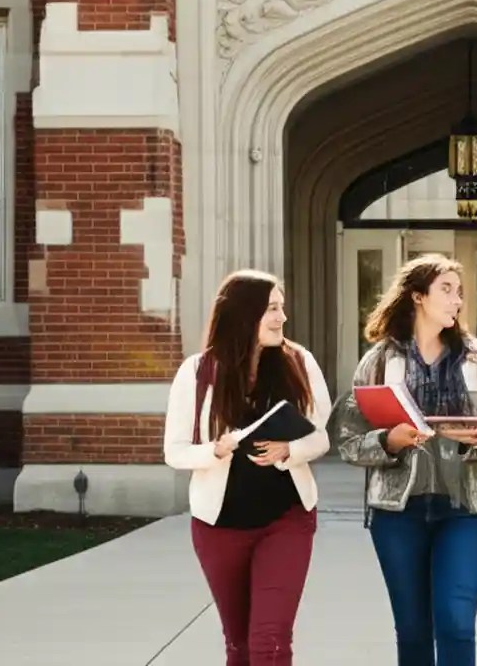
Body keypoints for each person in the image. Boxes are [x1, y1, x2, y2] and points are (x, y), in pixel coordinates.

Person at [331, 254, 477, 666]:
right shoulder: (379, 361)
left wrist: (476, 442)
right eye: (447, 290)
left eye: (460, 292)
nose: (458, 300)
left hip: (464, 510)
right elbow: (348, 440)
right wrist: (388, 440)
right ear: (417, 297)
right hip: (397, 514)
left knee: (456, 625)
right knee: (414, 633)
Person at [163, 269, 332, 666]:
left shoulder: (299, 362)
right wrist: (215, 452)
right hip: (219, 527)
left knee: (269, 641)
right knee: (238, 646)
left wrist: (288, 450)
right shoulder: (198, 372)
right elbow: (174, 450)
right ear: (244, 314)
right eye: (272, 309)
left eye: (282, 308)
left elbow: (322, 436)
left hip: (287, 520)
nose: (282, 318)